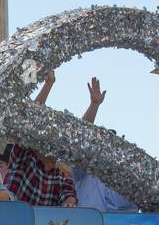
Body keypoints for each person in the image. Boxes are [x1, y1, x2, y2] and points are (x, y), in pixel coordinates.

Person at [56, 73, 139, 212]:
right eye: (103, 142)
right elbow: (77, 141)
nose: (107, 148)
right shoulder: (85, 171)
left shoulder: (128, 180)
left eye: (113, 144)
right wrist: (94, 105)